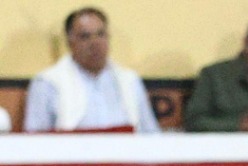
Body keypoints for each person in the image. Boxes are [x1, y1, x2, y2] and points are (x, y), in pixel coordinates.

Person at [24, 8, 160, 133]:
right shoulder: (47, 83)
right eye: (85, 36)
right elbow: (36, 138)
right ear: (70, 42)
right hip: (72, 156)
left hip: (124, 155)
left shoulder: (129, 81)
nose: (95, 43)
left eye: (100, 34)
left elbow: (151, 134)